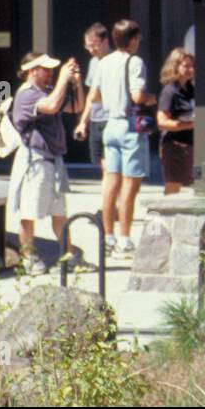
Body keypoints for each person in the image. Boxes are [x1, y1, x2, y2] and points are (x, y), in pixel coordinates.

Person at [8, 51, 84, 275]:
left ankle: (69, 256)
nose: (50, 73)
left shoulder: (48, 91)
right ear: (33, 71)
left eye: (52, 69)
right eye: (46, 69)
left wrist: (76, 83)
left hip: (53, 160)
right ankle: (28, 257)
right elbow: (50, 106)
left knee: (59, 213)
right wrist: (63, 79)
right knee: (29, 212)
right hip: (35, 161)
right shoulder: (26, 94)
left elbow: (76, 107)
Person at [86, 19, 156, 259]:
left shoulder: (104, 62)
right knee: (130, 185)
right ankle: (125, 240)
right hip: (129, 126)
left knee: (110, 183)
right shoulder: (135, 62)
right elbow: (137, 96)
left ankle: (108, 237)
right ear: (133, 39)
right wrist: (150, 98)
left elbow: (95, 96)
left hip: (110, 125)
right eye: (138, 38)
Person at [73, 23, 113, 251]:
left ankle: (107, 209)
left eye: (94, 46)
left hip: (110, 119)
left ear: (105, 41)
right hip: (96, 119)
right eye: (87, 46)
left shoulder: (115, 61)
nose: (90, 50)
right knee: (103, 167)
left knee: (109, 169)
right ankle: (109, 207)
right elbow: (91, 94)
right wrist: (83, 121)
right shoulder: (94, 63)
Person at [156, 48, 195, 196]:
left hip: (190, 145)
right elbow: (162, 122)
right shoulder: (170, 91)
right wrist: (190, 124)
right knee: (173, 188)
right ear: (175, 66)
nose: (191, 69)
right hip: (174, 147)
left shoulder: (191, 89)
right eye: (186, 66)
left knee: (192, 186)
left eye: (192, 66)